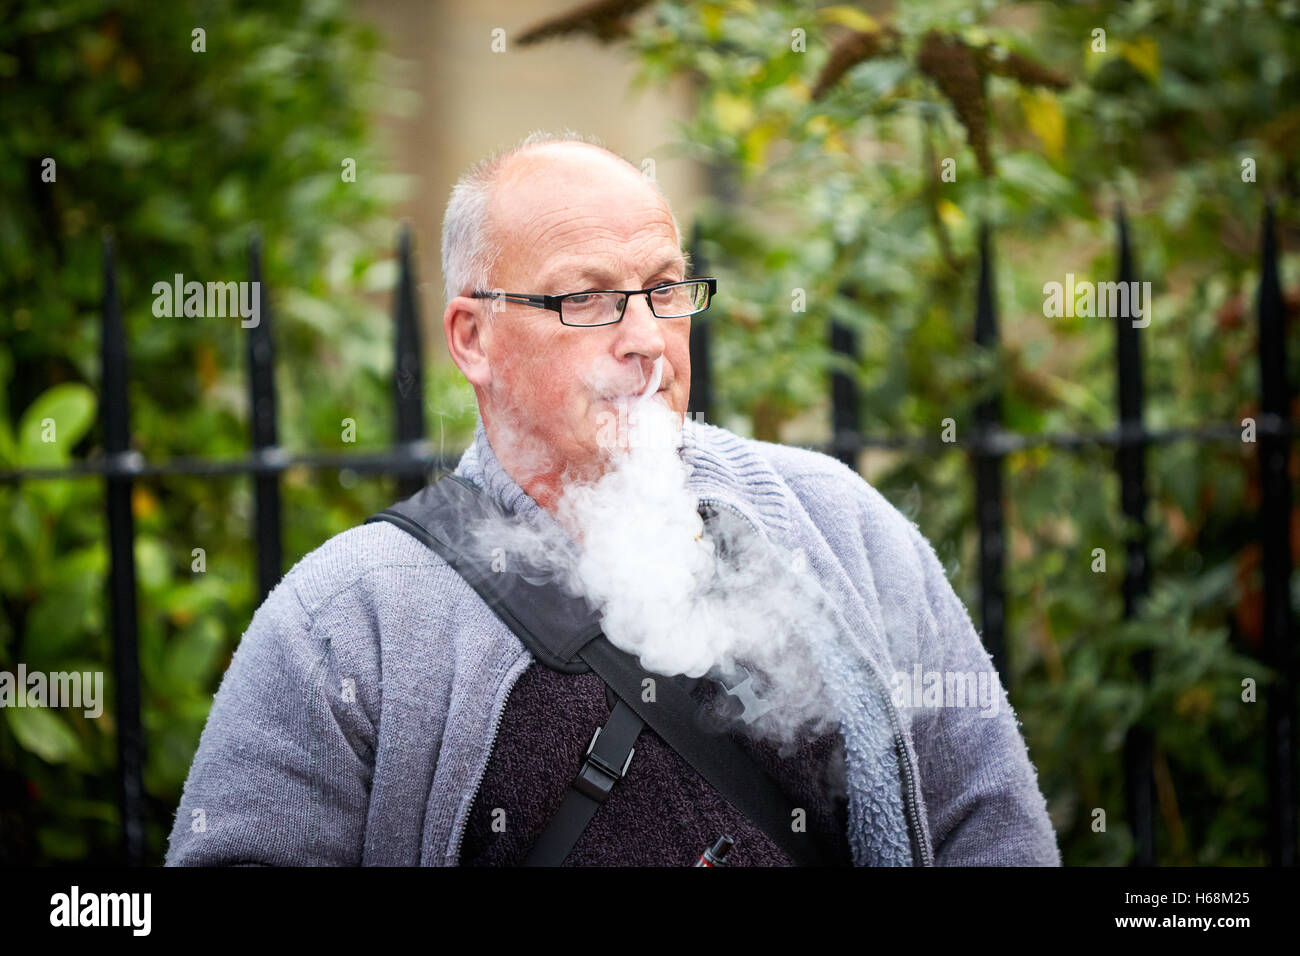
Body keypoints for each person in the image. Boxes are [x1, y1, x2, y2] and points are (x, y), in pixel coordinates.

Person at [165, 131, 1060, 866]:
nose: (647, 341)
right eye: (587, 298)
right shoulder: (349, 619)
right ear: (472, 338)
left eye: (664, 290)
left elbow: (991, 830)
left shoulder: (834, 522)